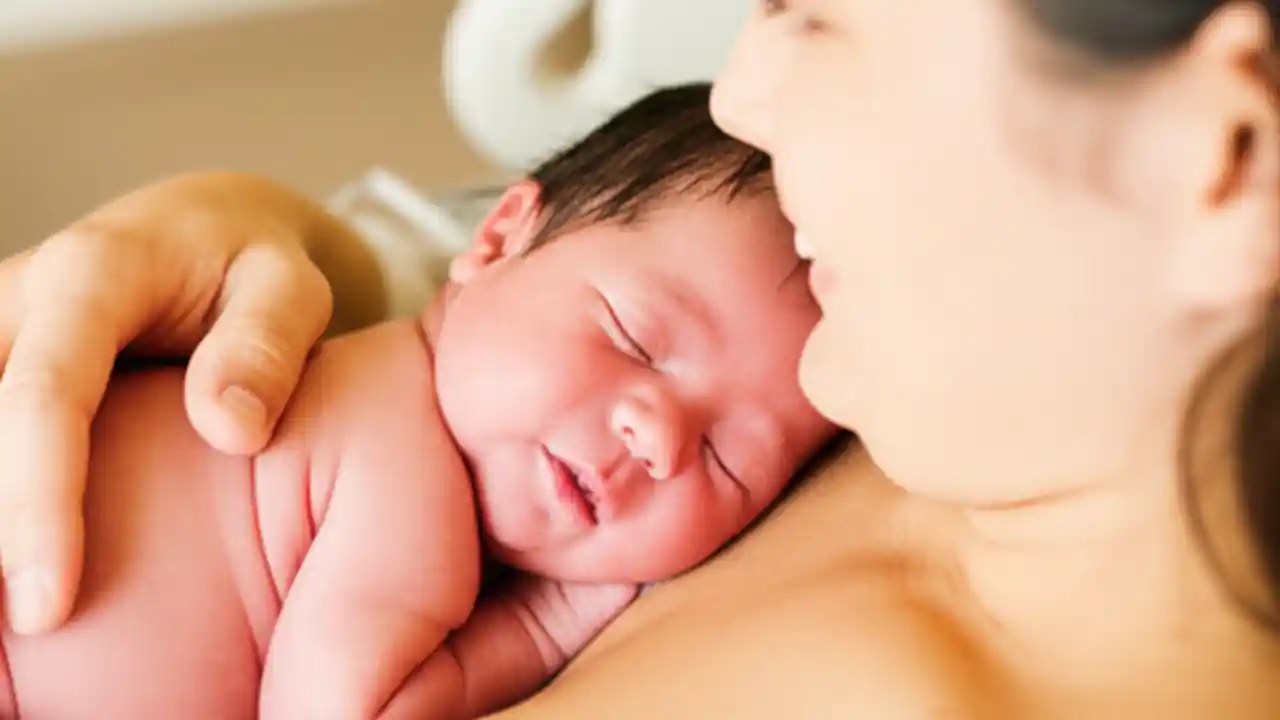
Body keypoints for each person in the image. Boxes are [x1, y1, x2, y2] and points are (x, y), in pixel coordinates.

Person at [1, 0, 1278, 717]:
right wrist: (287, 240)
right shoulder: (878, 340)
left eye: (820, 14)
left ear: (1218, 152)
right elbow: (470, 272)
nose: (741, 87)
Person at [0, 85, 833, 718]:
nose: (656, 437)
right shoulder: (408, 475)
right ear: (499, 236)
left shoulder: (359, 376)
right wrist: (547, 624)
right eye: (633, 337)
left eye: (731, 463)